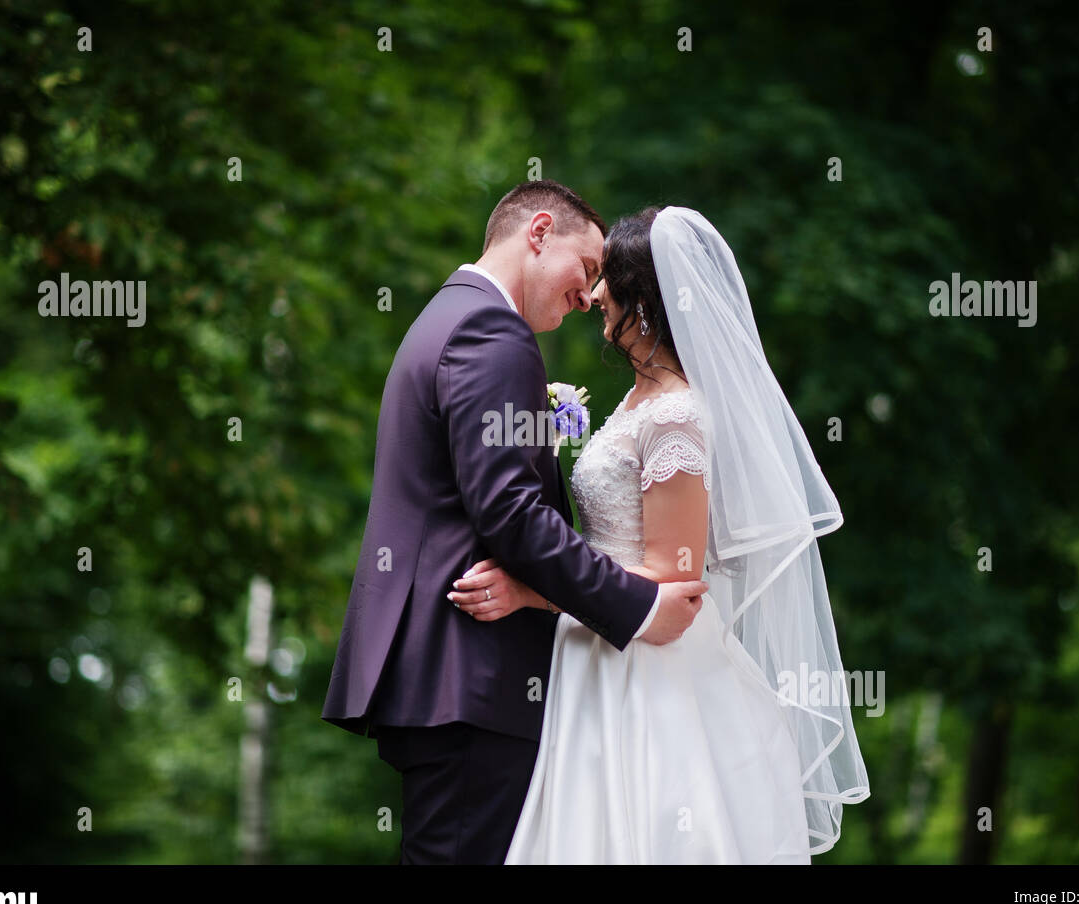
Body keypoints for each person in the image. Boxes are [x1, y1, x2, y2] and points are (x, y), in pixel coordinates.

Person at [449, 206, 871, 862]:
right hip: (596, 650)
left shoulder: (675, 414)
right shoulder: (636, 400)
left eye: (605, 279)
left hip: (646, 667)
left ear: (642, 296)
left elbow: (672, 578)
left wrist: (531, 593)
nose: (592, 296)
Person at [321, 182, 708, 864]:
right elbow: (509, 511)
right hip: (470, 675)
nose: (591, 295)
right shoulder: (489, 332)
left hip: (451, 680)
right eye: (586, 269)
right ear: (537, 233)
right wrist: (640, 603)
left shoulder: (448, 315)